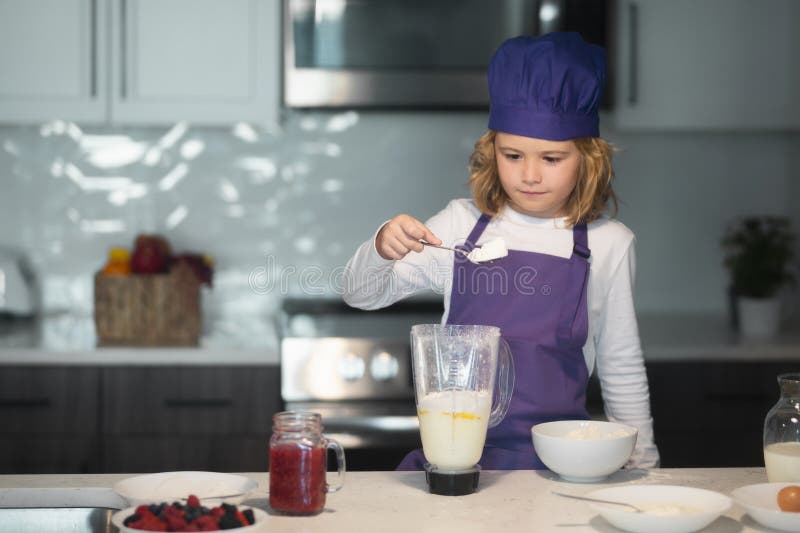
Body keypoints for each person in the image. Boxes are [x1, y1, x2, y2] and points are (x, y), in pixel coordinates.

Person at [342, 32, 659, 470]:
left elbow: (621, 366)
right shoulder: (459, 225)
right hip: (456, 463)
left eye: (551, 158)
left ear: (588, 158)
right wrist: (381, 246)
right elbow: (360, 294)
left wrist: (642, 465)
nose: (529, 175)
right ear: (492, 151)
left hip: (562, 468)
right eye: (513, 155)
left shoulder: (609, 244)